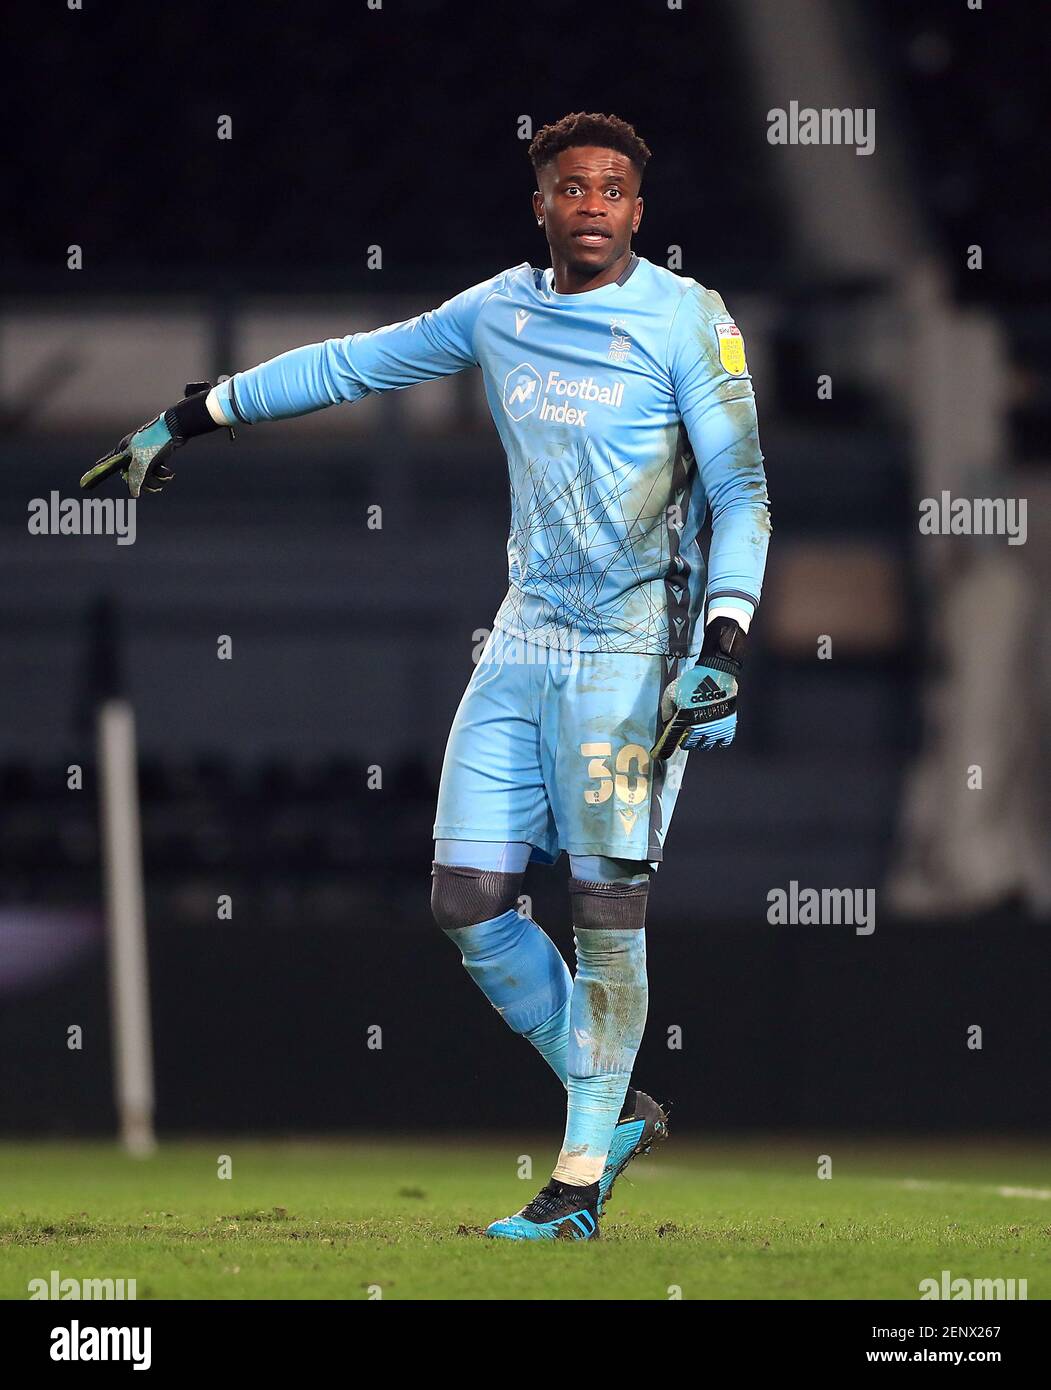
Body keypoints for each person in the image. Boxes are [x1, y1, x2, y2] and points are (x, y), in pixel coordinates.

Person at [82, 111, 772, 1240]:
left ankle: (578, 1179)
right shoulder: (495, 311)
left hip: (629, 654)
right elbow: (353, 362)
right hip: (520, 643)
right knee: (464, 900)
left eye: (611, 188)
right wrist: (194, 412)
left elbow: (742, 492)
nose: (591, 203)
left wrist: (725, 646)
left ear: (638, 212)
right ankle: (616, 1105)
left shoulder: (690, 323)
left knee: (607, 909)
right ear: (539, 204)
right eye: (570, 186)